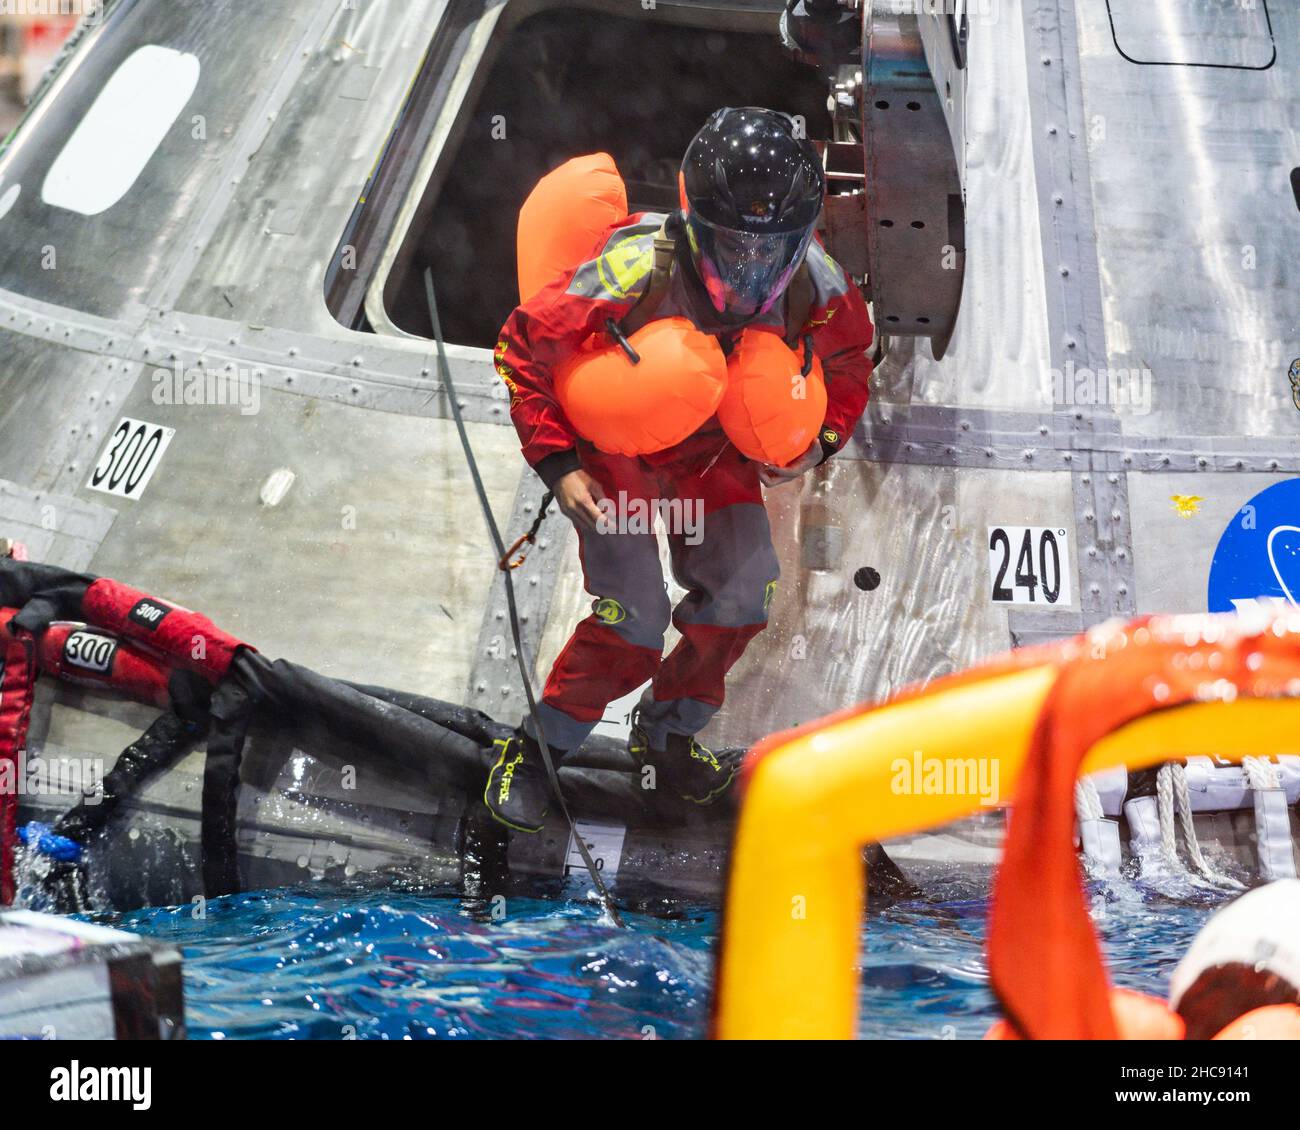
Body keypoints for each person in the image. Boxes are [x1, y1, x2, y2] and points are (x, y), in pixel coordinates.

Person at [487, 107, 875, 832]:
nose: (755, 269)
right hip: (618, 457)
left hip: (708, 455)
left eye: (775, 249)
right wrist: (559, 464)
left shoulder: (815, 279)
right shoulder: (635, 264)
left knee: (744, 593)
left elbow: (853, 356)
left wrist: (822, 436)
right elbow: (520, 346)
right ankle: (535, 753)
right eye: (735, 247)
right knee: (633, 619)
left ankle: (666, 740)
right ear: (696, 222)